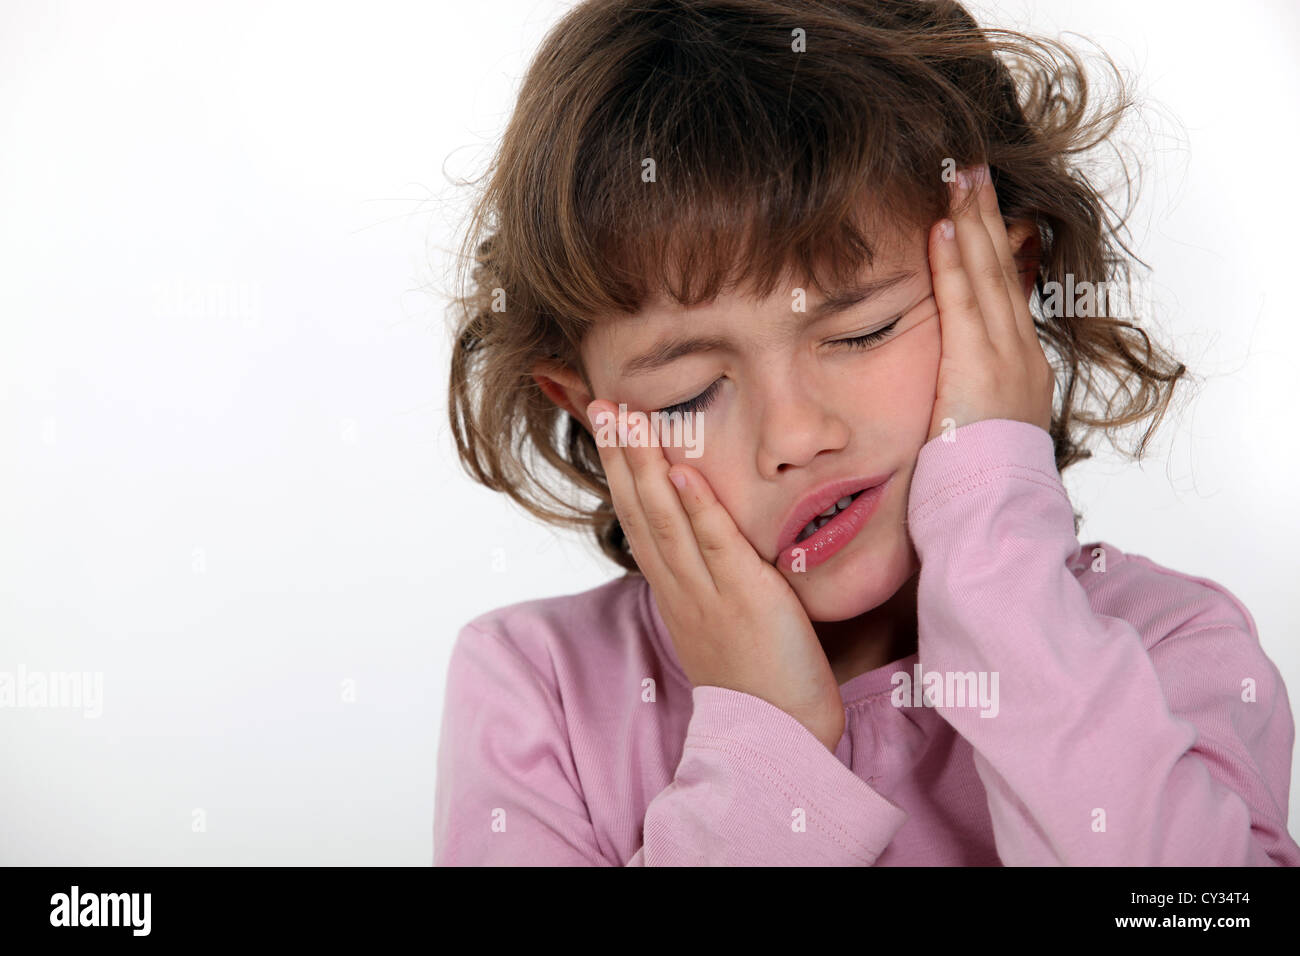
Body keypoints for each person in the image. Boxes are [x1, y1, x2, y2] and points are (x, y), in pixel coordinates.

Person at [435, 0, 1300, 865]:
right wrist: (764, 742)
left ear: (1005, 284)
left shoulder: (1171, 648)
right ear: (588, 409)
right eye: (688, 395)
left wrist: (1000, 586)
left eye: (861, 333)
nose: (797, 434)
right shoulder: (536, 690)